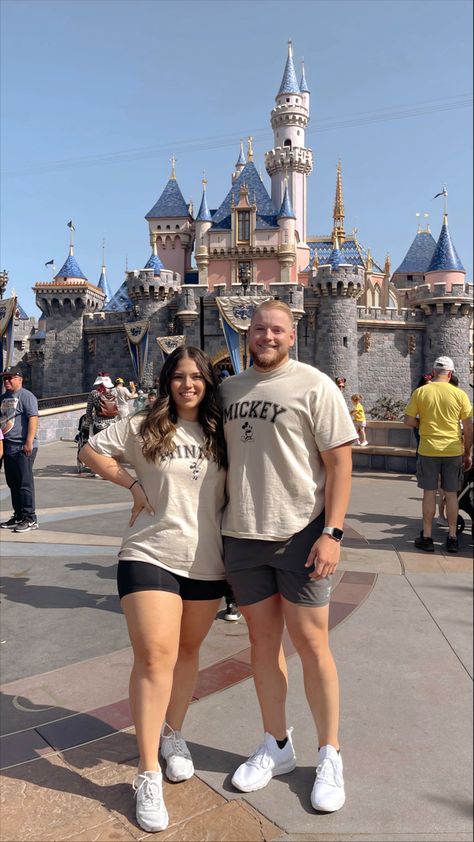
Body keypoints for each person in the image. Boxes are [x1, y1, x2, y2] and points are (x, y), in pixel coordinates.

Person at [79, 347, 227, 833]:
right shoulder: (145, 424)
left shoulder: (222, 430)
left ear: (208, 382)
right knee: (155, 656)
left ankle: (173, 734)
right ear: (167, 381)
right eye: (179, 377)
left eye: (196, 377)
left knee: (187, 652)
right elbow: (90, 450)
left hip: (207, 560)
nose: (188, 385)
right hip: (149, 551)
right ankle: (147, 773)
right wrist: (131, 484)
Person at [219, 300, 356, 813]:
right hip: (243, 534)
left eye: (276, 329)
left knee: (312, 644)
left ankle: (329, 753)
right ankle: (276, 744)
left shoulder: (314, 385)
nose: (266, 337)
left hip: (301, 533)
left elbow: (340, 463)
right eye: (258, 329)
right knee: (261, 643)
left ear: (292, 335)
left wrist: (333, 533)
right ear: (246, 333)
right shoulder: (228, 390)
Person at [404, 356, 472, 553]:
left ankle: (427, 537)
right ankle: (452, 538)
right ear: (450, 374)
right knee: (451, 494)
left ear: (433, 372)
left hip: (428, 449)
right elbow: (468, 427)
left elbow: (408, 420)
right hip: (452, 451)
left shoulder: (421, 392)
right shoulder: (460, 395)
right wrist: (467, 453)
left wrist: (422, 424)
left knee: (428, 493)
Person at [0, 366, 39, 533]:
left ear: (19, 379)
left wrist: (29, 441)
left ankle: (30, 518)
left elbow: (33, 418)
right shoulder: (3, 398)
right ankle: (18, 516)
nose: (7, 381)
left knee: (24, 483)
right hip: (8, 446)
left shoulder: (26, 396)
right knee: (13, 483)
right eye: (5, 379)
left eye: (10, 378)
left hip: (23, 447)